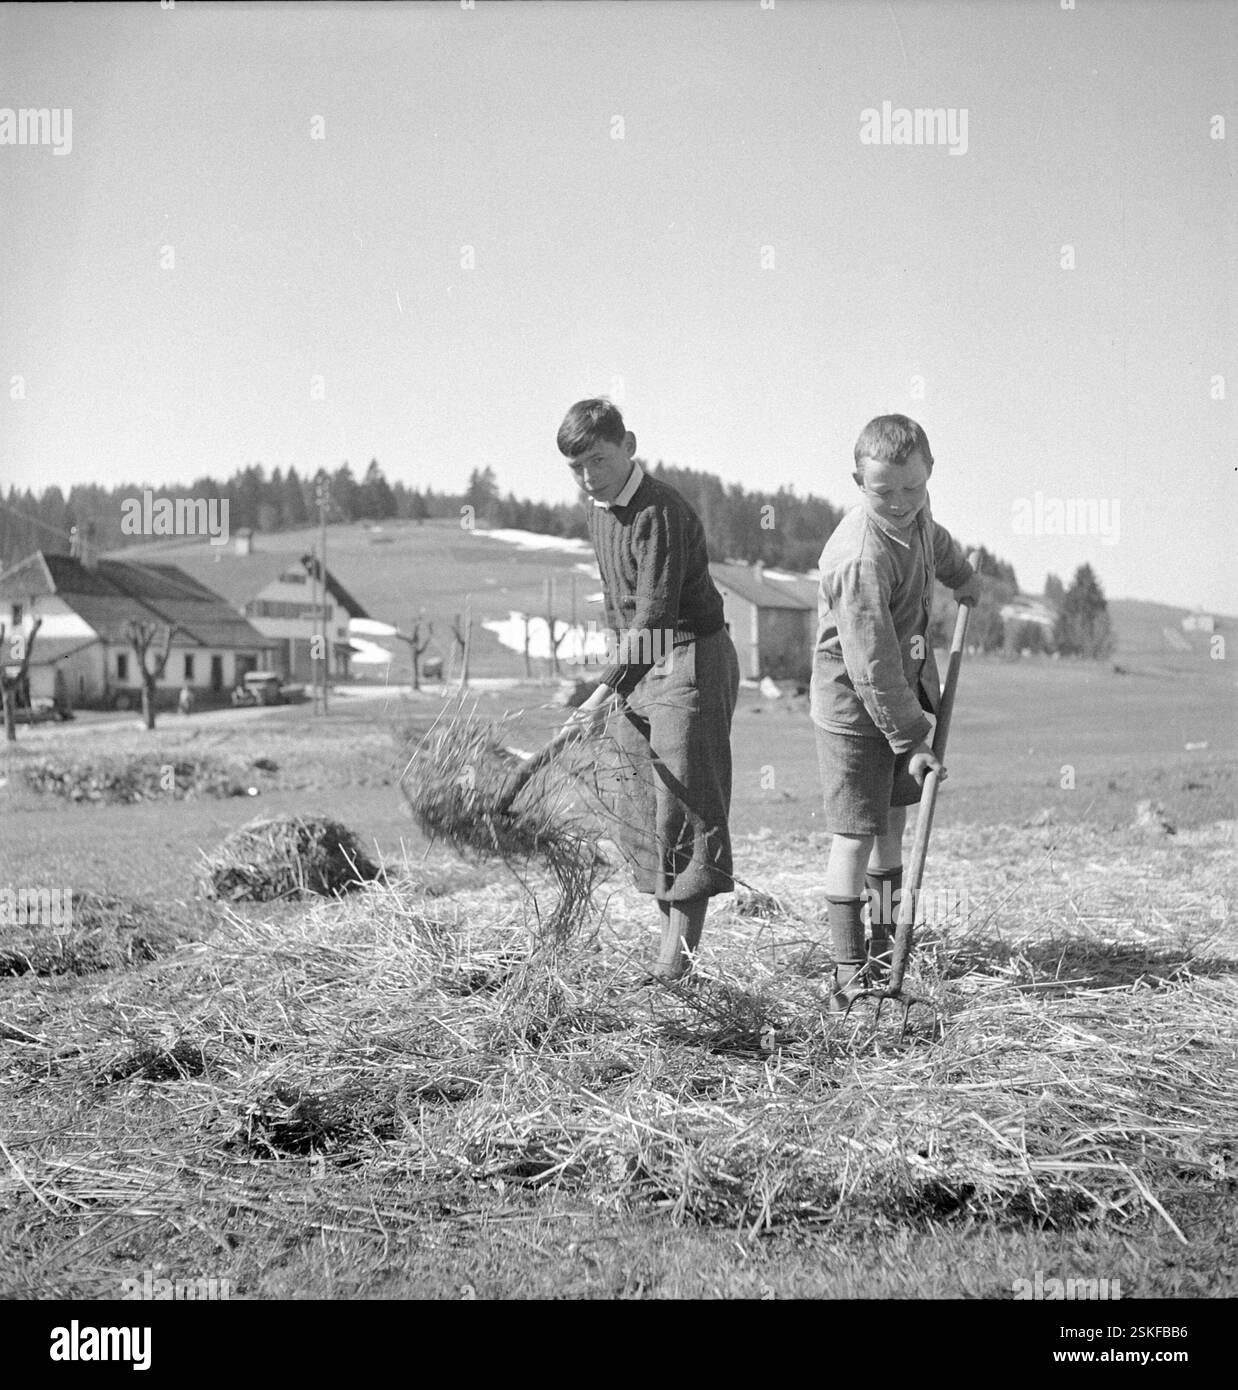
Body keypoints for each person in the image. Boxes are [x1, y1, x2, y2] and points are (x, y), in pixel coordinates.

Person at [554, 399, 740, 981]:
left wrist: (599, 693)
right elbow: (622, 612)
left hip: (689, 658)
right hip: (637, 666)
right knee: (639, 803)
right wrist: (612, 690)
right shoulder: (599, 515)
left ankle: (673, 972)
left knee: (685, 803)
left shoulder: (660, 511)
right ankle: (669, 956)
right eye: (576, 467)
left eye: (599, 460)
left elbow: (658, 614)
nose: (589, 477)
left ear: (629, 444)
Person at [811, 414, 981, 1010]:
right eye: (885, 492)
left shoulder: (918, 513)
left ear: (929, 474)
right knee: (856, 837)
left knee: (892, 829)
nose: (902, 502)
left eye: (914, 487)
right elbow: (873, 664)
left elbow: (936, 543)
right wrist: (912, 740)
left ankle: (887, 950)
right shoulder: (858, 557)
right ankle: (848, 974)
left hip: (898, 697)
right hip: (854, 708)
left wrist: (964, 579)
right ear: (858, 481)